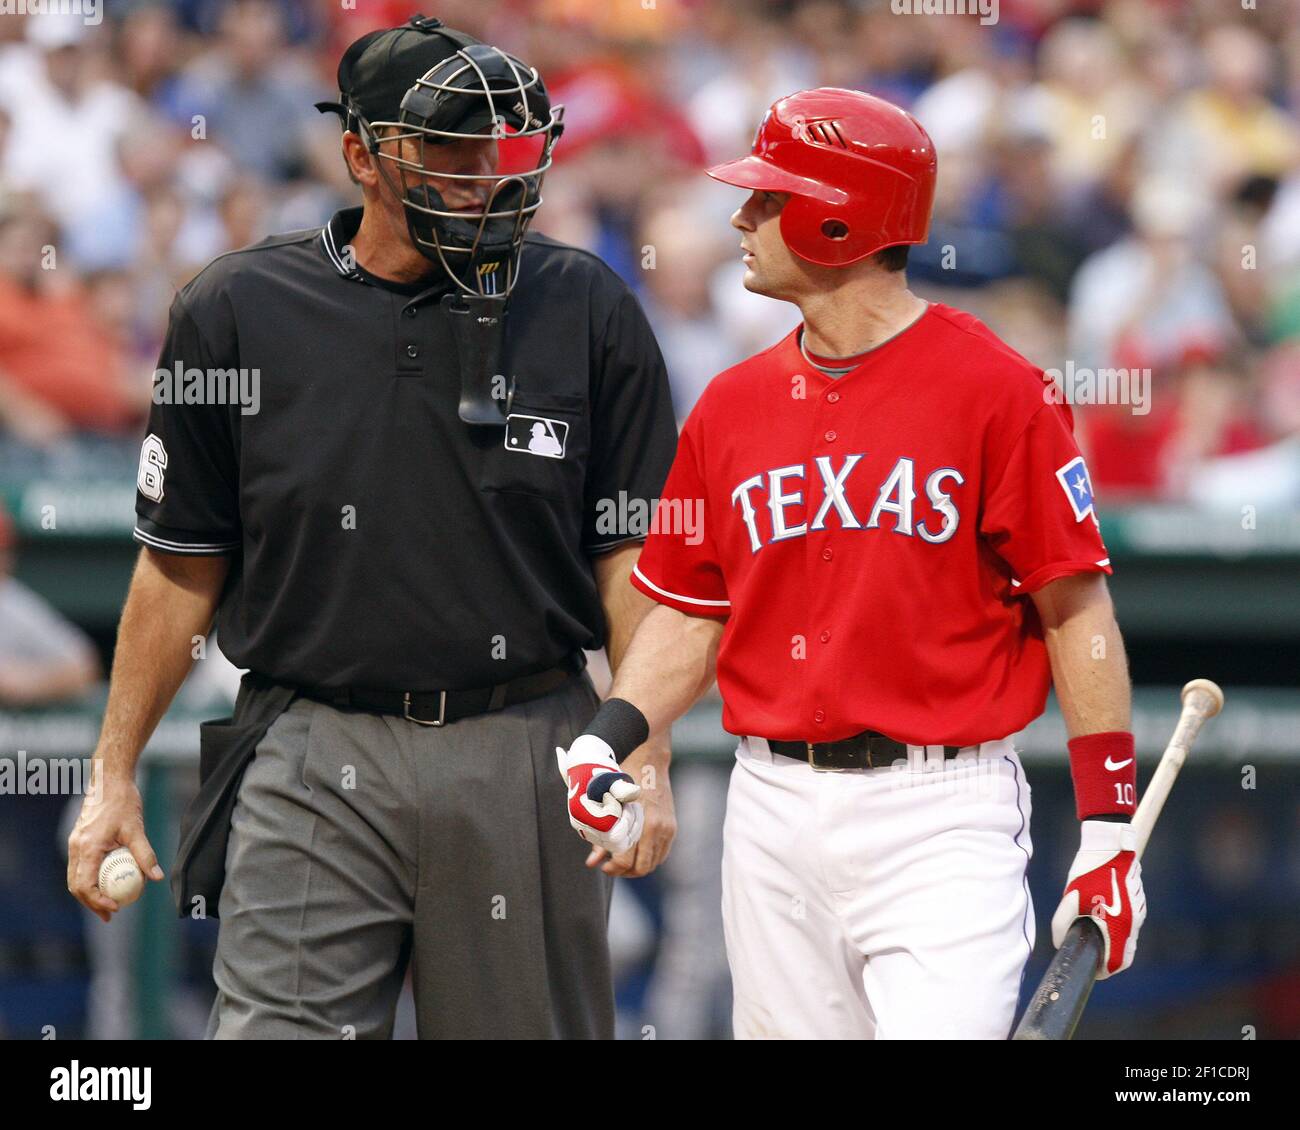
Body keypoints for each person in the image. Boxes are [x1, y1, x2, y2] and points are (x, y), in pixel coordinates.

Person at [66, 15, 678, 1040]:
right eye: (448, 147)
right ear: (361, 154)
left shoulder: (579, 302)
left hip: (522, 740)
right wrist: (112, 771)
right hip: (311, 740)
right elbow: (178, 568)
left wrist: (642, 748)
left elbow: (632, 557)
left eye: (499, 146)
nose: (485, 173)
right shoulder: (238, 308)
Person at [560, 88, 1146, 1039]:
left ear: (842, 218)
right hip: (772, 805)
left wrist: (1108, 825)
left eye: (768, 198)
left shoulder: (1000, 391)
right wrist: (611, 732)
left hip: (941, 812)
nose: (742, 217)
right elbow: (688, 609)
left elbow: (1075, 611)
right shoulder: (732, 403)